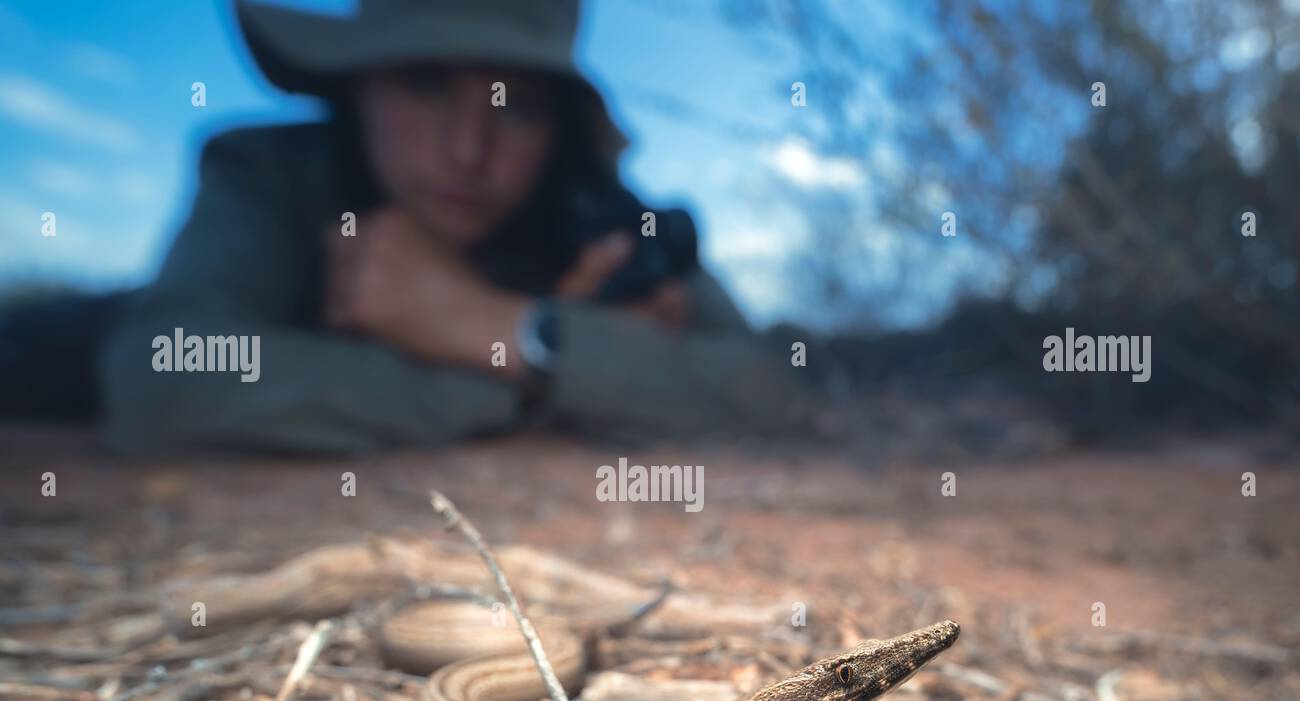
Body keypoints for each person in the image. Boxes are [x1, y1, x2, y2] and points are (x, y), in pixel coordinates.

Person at [97, 0, 813, 454]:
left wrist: (514, 330)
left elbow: (776, 386)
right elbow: (161, 372)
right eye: (426, 85)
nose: (469, 151)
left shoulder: (611, 222)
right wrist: (520, 378)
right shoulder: (268, 172)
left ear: (558, 131)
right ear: (356, 85)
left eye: (519, 106)